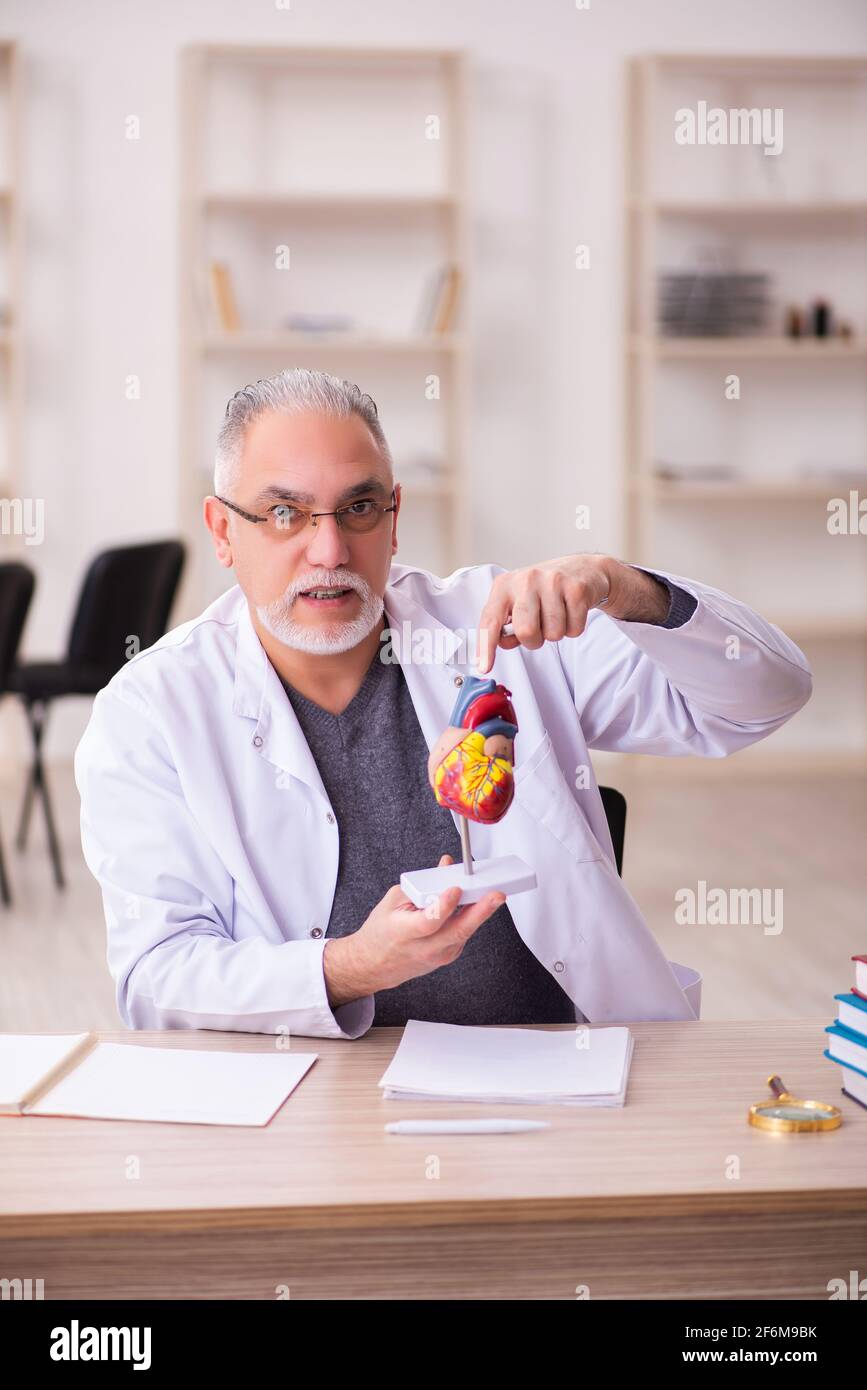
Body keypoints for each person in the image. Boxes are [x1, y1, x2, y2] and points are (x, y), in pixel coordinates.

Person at [74, 368, 812, 1038]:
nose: (328, 550)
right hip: (314, 1096)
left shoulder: (498, 626)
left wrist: (625, 590)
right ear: (222, 531)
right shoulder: (152, 711)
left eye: (357, 507)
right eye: (285, 513)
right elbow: (156, 979)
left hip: (555, 1073)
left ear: (393, 519)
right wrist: (348, 967)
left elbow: (763, 697)